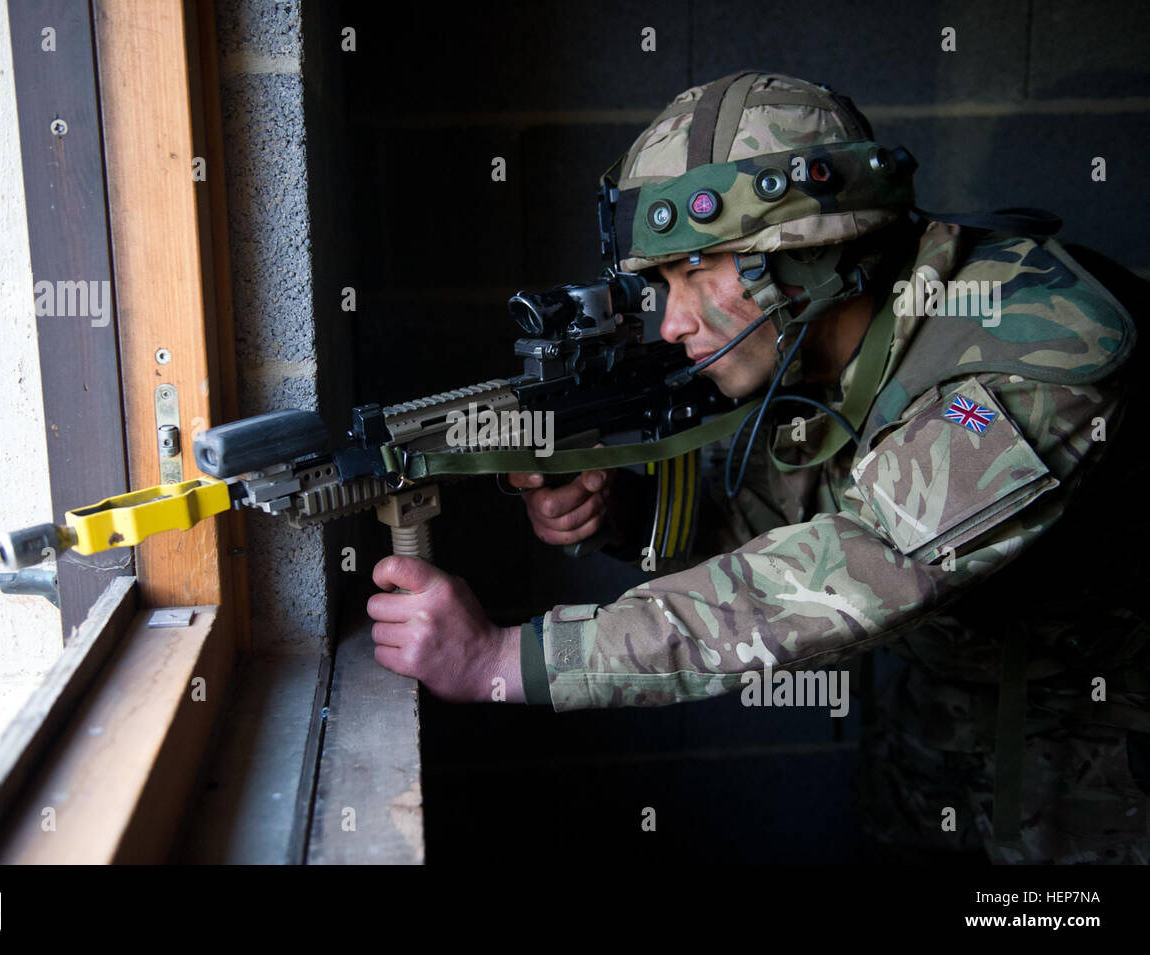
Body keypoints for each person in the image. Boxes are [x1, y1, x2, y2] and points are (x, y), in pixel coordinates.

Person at [365, 71, 1150, 863]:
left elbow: (847, 568)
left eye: (698, 273)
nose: (671, 323)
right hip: (935, 724)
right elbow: (775, 525)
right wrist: (626, 514)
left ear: (807, 260)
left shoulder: (1040, 346)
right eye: (663, 284)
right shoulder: (825, 348)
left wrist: (508, 660)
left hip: (1098, 758)